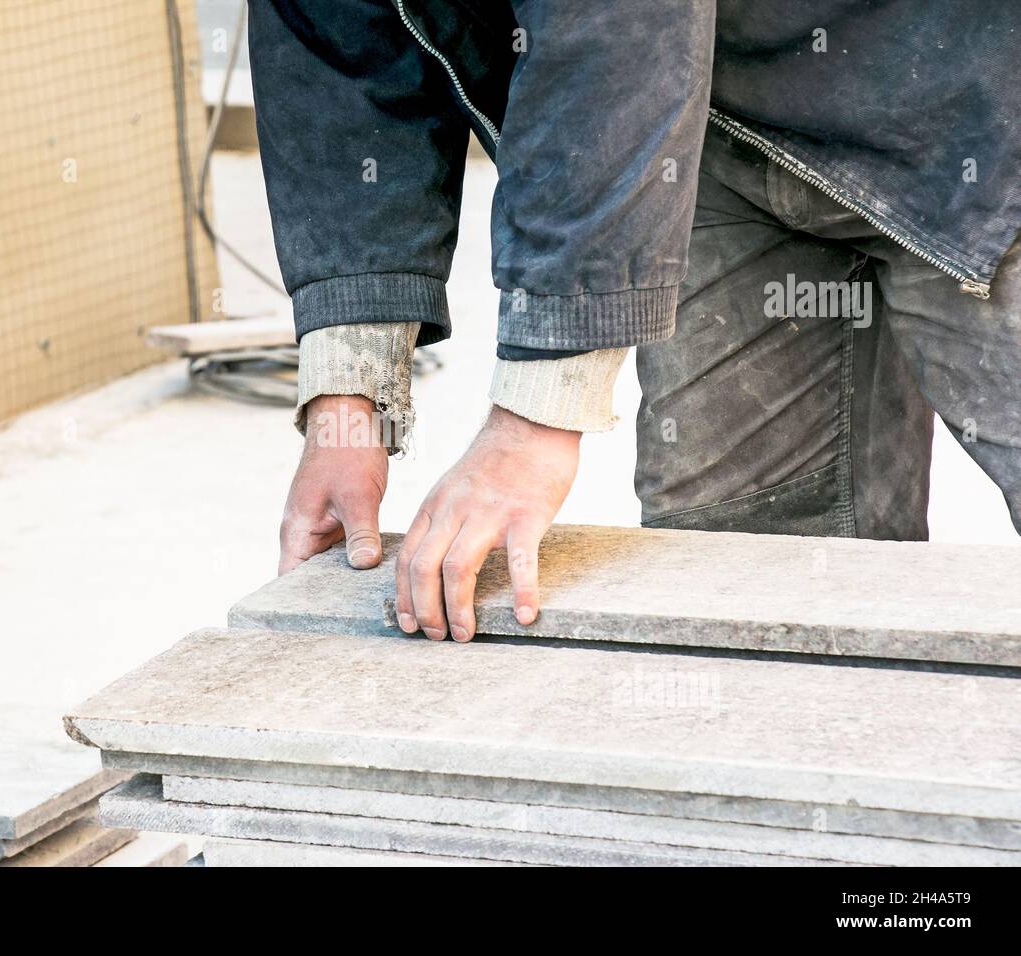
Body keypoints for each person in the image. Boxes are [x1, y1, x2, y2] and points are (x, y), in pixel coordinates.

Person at [249, 0, 1021, 642]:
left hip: (967, 84)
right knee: (742, 594)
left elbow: (612, 20)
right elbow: (334, 43)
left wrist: (535, 414)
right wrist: (347, 399)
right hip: (707, 130)